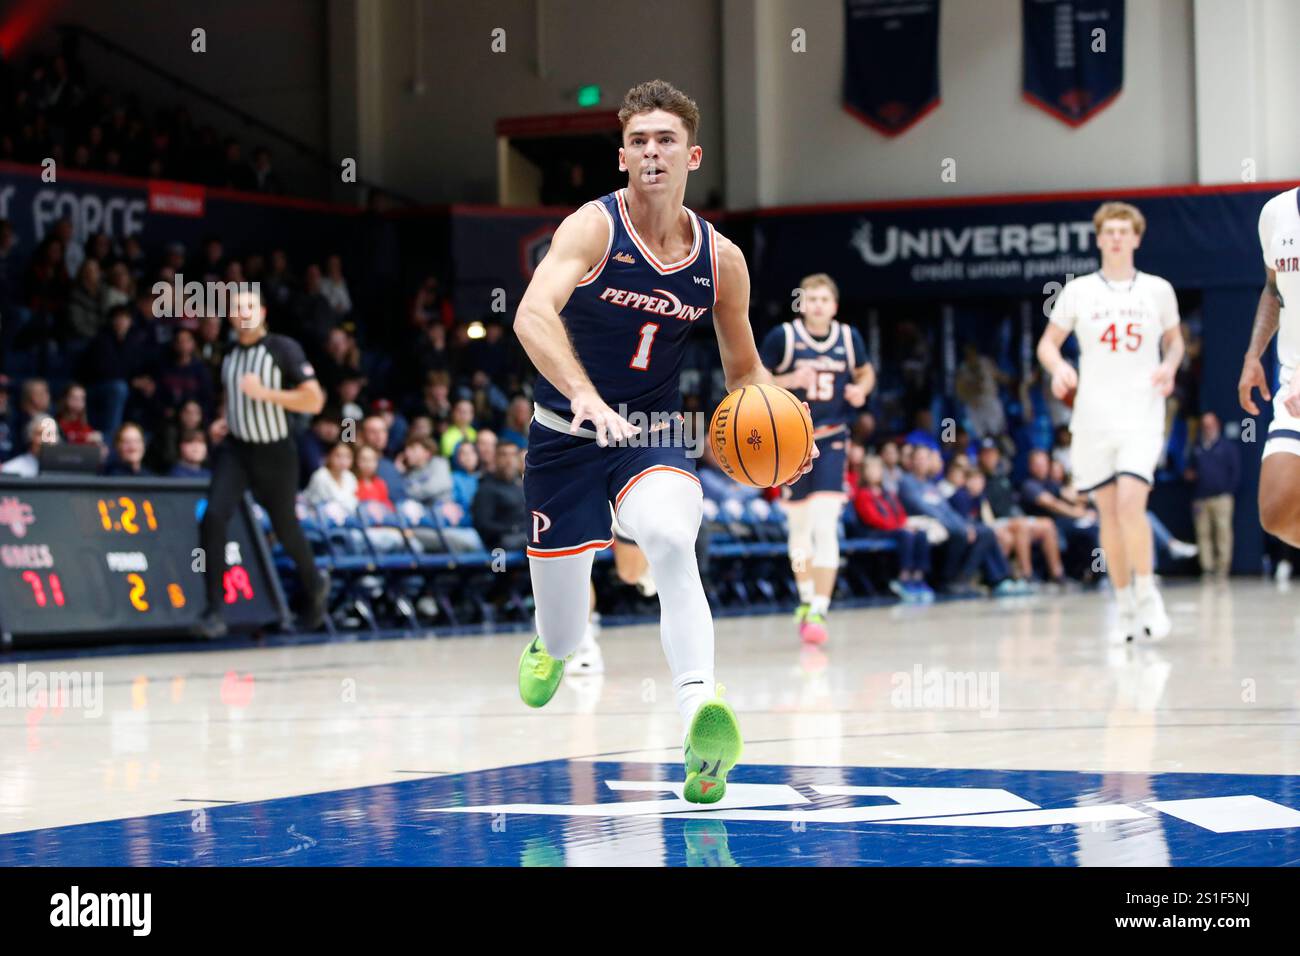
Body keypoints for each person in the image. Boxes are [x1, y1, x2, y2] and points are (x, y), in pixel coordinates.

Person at [510, 79, 812, 805]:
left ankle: (699, 718)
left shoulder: (722, 260)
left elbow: (744, 371)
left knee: (675, 541)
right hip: (564, 437)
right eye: (639, 141)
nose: (652, 152)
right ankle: (551, 645)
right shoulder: (592, 228)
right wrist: (584, 397)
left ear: (691, 155)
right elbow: (529, 315)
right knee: (562, 628)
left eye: (665, 140)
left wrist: (782, 426)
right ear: (623, 157)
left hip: (652, 434)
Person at [1037, 201, 1184, 641]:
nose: (1117, 238)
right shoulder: (1079, 291)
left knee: (1130, 505)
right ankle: (1122, 605)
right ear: (1099, 238)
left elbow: (1176, 343)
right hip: (1093, 419)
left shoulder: (1157, 290)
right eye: (1110, 231)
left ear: (1136, 238)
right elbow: (1047, 345)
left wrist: (1171, 366)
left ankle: (1147, 592)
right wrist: (1057, 367)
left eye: (1125, 231)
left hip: (1141, 414)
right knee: (1108, 514)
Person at [196, 289, 329, 639]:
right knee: (213, 516)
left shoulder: (283, 349)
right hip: (237, 450)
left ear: (263, 311)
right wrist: (223, 419)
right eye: (237, 308)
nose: (243, 313)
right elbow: (232, 396)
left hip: (276, 451)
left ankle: (315, 585)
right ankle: (214, 609)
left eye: (250, 306)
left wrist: (267, 395)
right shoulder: (227, 355)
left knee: (285, 527)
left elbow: (315, 401)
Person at [760, 272, 874, 644]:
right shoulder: (784, 337)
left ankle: (820, 608)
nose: (818, 306)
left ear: (834, 306)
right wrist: (790, 379)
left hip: (832, 438)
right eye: (811, 299)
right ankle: (806, 598)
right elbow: (755, 378)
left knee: (826, 523)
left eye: (824, 300)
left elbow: (866, 372)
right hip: (792, 440)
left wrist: (861, 390)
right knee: (798, 530)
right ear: (802, 304)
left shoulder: (848, 337)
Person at [1239, 183, 1300, 550]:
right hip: (1293, 382)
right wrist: (1252, 356)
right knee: (1275, 512)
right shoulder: (1275, 212)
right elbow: (1273, 290)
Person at [854, 454, 933, 601]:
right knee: (905, 535)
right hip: (874, 532)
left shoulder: (887, 493)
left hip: (895, 529)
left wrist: (904, 524)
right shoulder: (862, 494)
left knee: (921, 533)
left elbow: (900, 513)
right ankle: (903, 576)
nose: (874, 472)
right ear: (864, 472)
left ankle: (918, 577)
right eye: (871, 469)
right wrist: (898, 527)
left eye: (877, 469)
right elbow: (872, 519)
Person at [1184, 411, 1240, 577]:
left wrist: (1228, 491)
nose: (1208, 428)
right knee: (1203, 534)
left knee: (1223, 533)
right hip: (1200, 498)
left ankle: (1222, 569)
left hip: (1222, 498)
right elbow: (1189, 469)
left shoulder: (1228, 447)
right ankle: (1207, 569)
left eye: (1211, 424)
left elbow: (1235, 472)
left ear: (1217, 426)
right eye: (1205, 425)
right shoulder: (1196, 447)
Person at [472, 439, 528, 550]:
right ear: (495, 459)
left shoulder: (520, 486)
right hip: (499, 542)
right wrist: (512, 529)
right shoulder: (487, 488)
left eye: (513, 455)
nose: (509, 460)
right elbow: (483, 525)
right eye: (504, 455)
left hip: (522, 536)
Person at [305, 441, 359, 510]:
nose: (343, 461)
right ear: (328, 456)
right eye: (338, 456)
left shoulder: (350, 477)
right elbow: (317, 504)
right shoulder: (320, 476)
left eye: (348, 456)